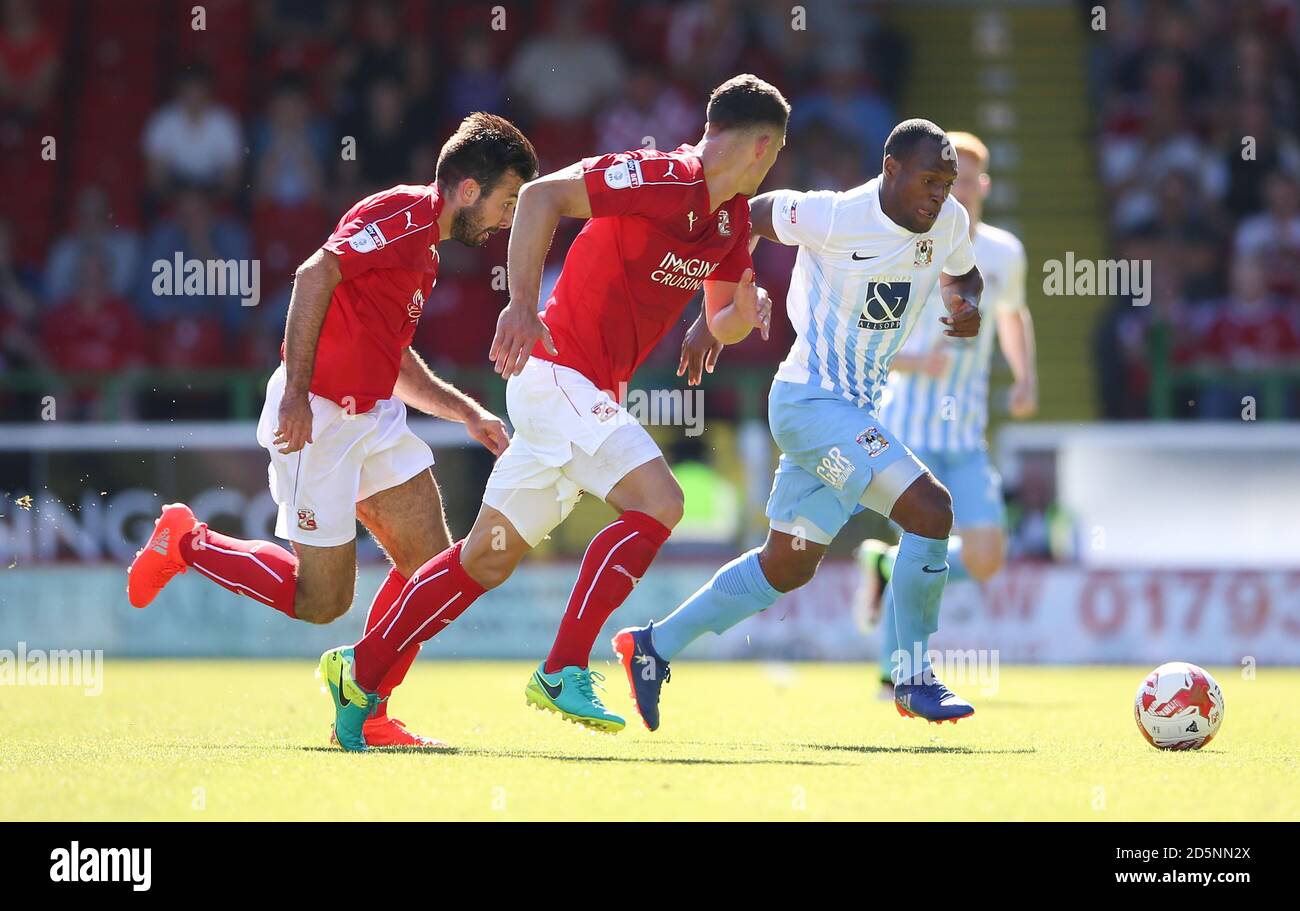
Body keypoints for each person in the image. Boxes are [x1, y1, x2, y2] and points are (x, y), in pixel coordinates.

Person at [320, 74, 789, 750]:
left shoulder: (732, 220)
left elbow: (722, 316)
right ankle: (566, 664)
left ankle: (358, 671)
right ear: (761, 147)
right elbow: (542, 196)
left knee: (483, 560)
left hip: (582, 401)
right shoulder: (661, 175)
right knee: (660, 502)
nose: (772, 168)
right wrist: (518, 302)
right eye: (774, 157)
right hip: (557, 374)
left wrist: (737, 319)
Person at [125, 114, 537, 749]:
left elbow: (394, 360)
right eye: (507, 201)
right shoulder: (403, 217)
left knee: (429, 569)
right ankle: (186, 542)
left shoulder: (426, 251)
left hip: (373, 416)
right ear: (468, 190)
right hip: (316, 416)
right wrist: (294, 394)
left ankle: (367, 704)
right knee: (321, 602)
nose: (508, 219)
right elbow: (314, 275)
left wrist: (466, 412)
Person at [615, 119, 984, 731]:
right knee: (931, 510)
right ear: (889, 169)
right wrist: (723, 304)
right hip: (809, 402)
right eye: (928, 180)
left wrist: (963, 303)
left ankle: (653, 646)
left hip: (853, 412)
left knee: (787, 564)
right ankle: (913, 675)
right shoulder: (833, 216)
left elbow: (963, 272)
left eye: (946, 184)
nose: (939, 195)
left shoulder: (947, 221)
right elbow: (745, 214)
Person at [856, 131, 1037, 696]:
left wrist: (1026, 376)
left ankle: (883, 571)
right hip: (908, 426)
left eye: (976, 177)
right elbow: (870, 331)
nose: (967, 187)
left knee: (985, 556)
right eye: (954, 177)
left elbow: (1012, 314)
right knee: (921, 544)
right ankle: (898, 670)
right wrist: (914, 361)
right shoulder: (914, 244)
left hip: (965, 433)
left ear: (984, 184)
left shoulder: (1004, 251)